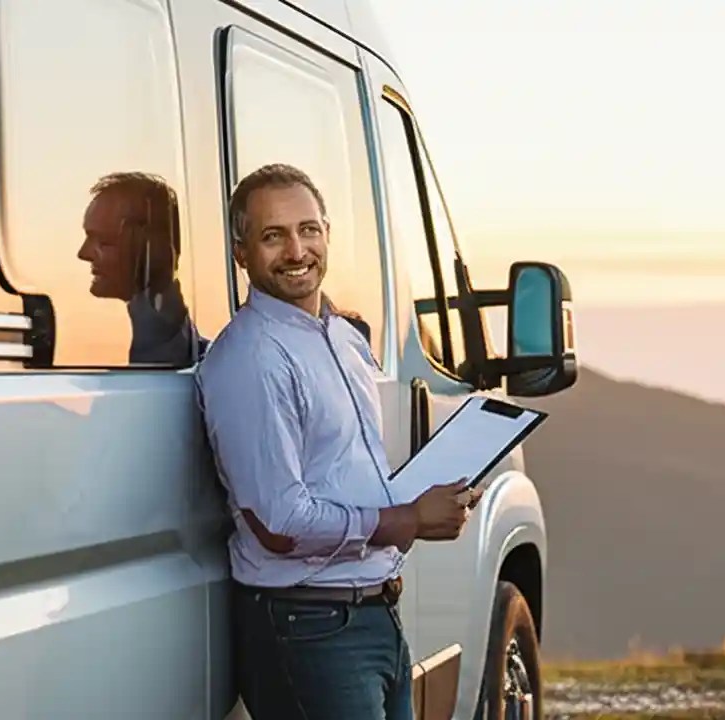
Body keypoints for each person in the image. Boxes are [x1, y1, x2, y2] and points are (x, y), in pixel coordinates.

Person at [195, 163, 480, 719]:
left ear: (327, 234)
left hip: (373, 613)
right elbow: (277, 521)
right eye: (272, 236)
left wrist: (428, 503)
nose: (297, 250)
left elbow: (343, 471)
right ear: (241, 251)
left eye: (309, 230)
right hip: (310, 627)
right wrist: (408, 520)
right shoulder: (251, 359)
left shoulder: (346, 339)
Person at [77, 171, 203, 364]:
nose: (84, 253)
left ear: (151, 249)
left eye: (103, 241)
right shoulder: (172, 343)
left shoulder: (166, 353)